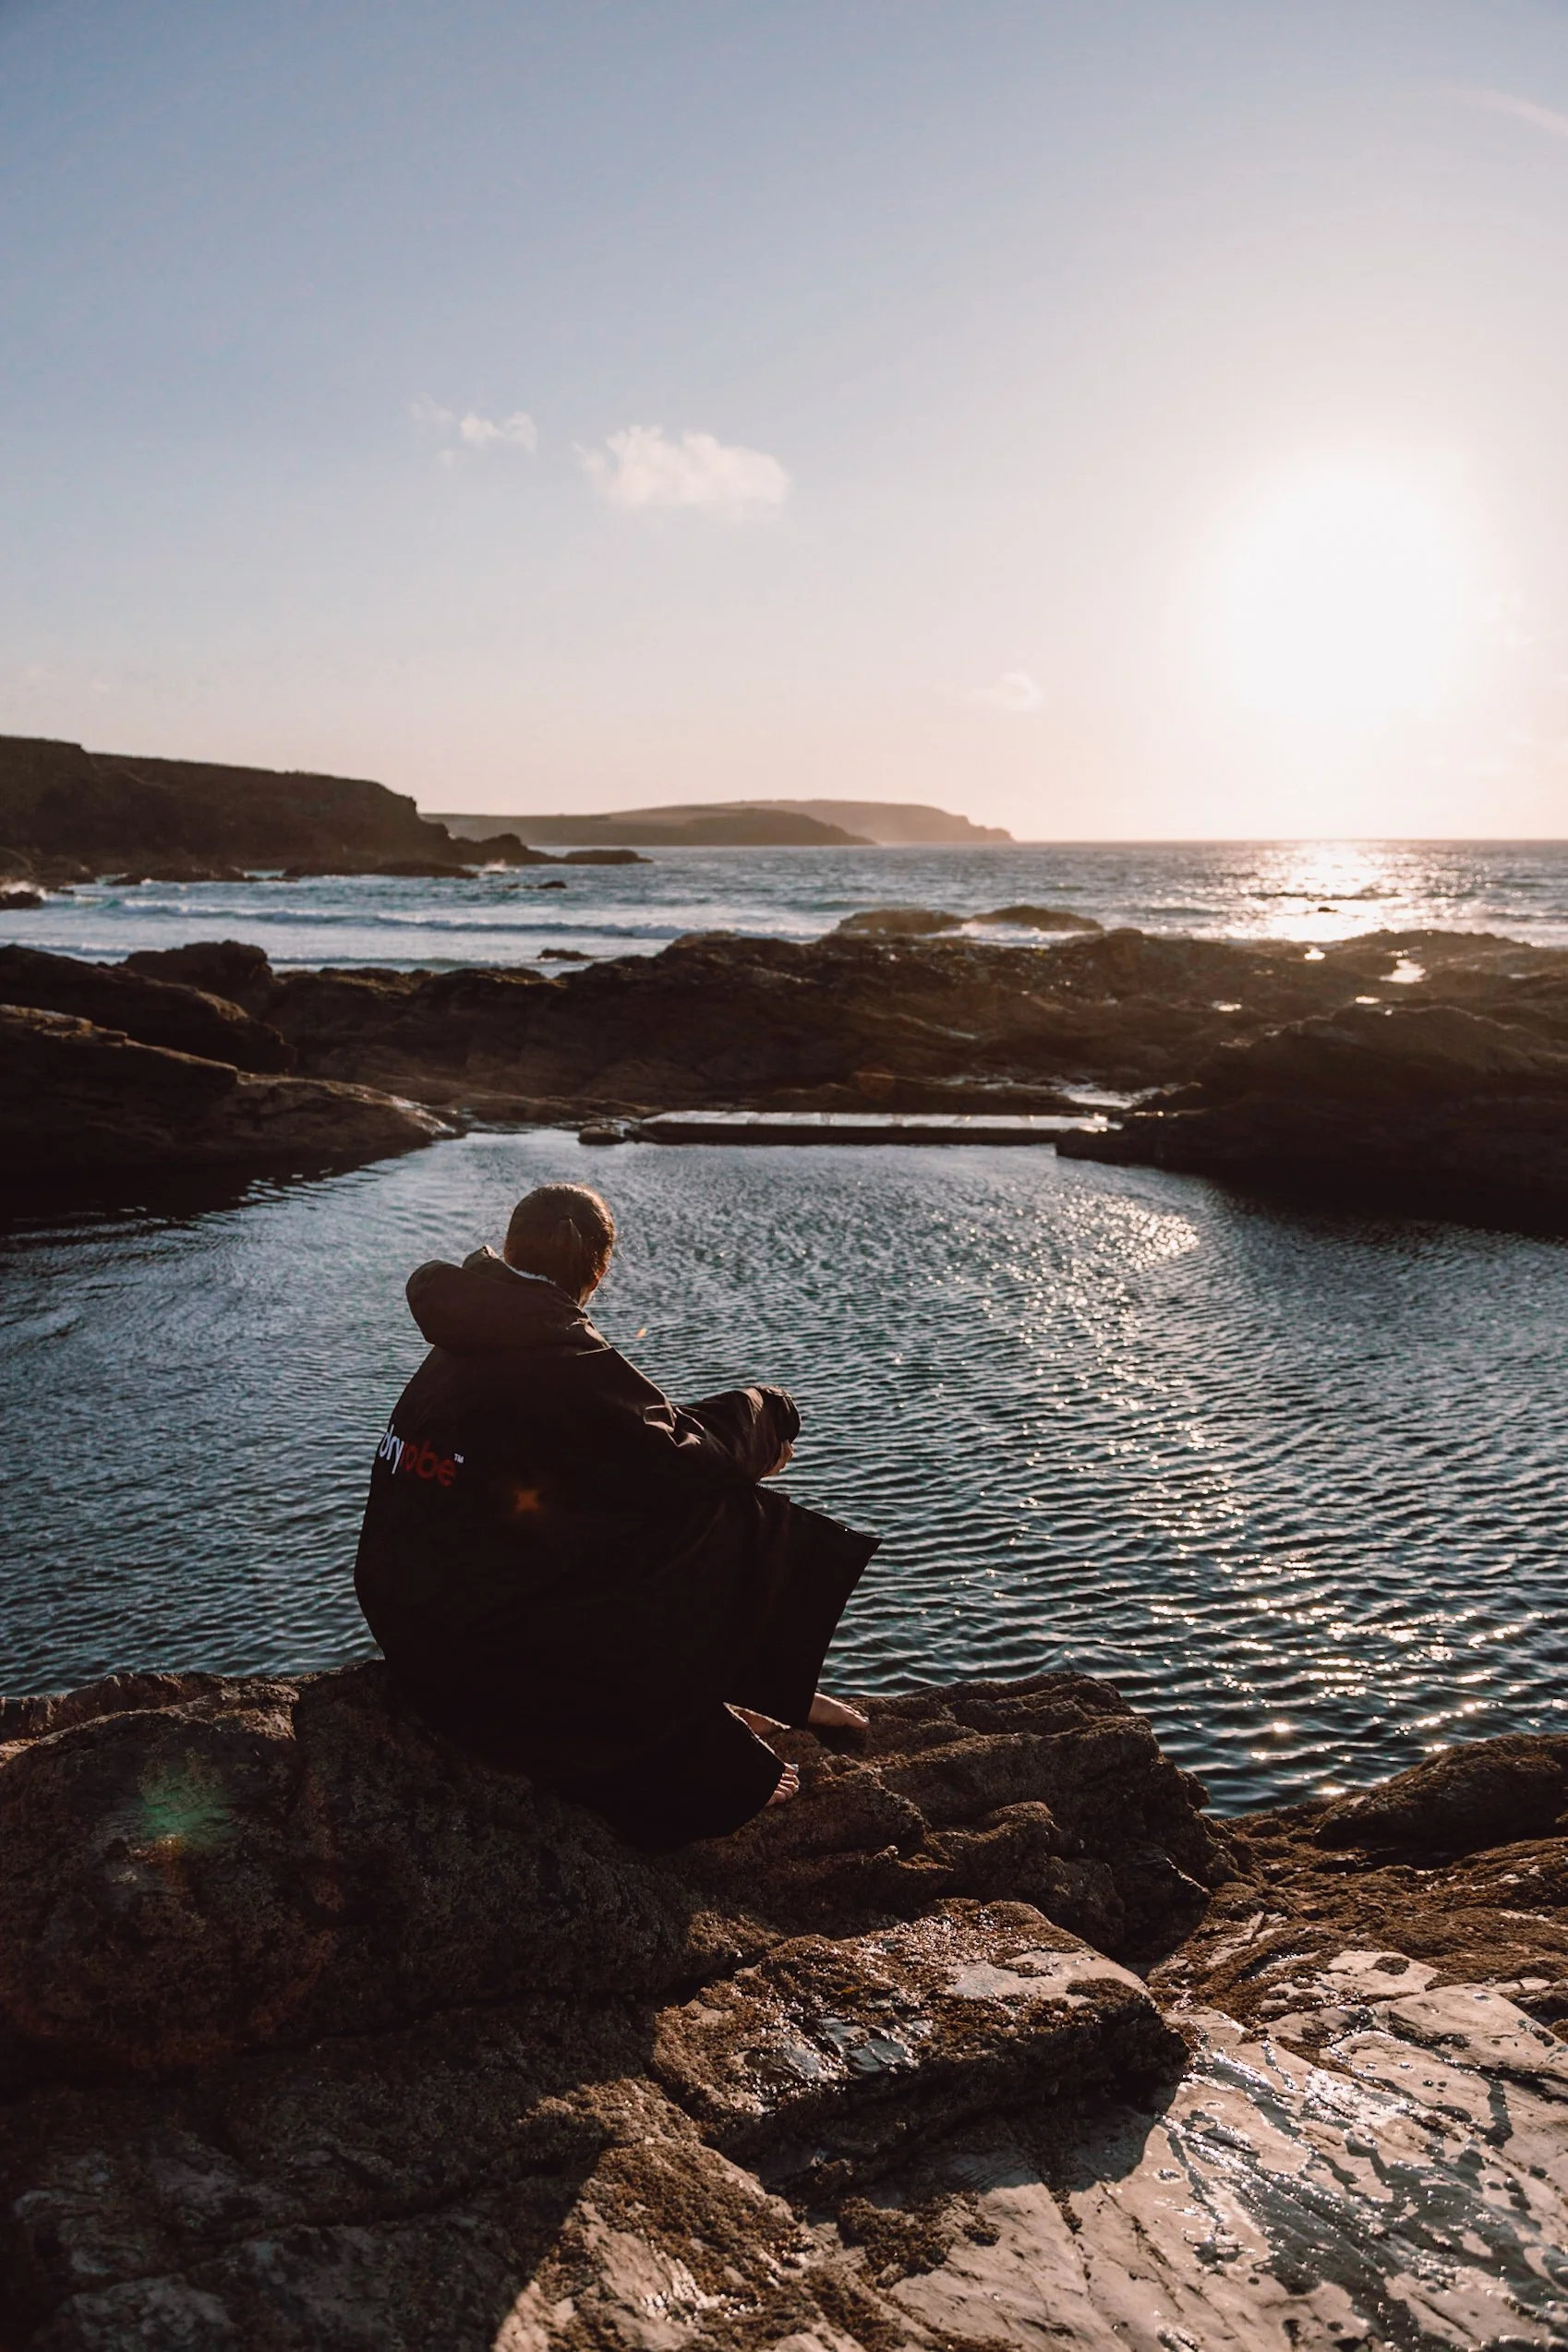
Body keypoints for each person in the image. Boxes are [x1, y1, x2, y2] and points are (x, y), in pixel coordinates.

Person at [355, 1181, 878, 1847]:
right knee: (725, 1508)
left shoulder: (471, 1332)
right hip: (482, 1668)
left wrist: (738, 1426)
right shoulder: (552, 1353)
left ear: (511, 1245)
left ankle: (759, 1684)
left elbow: (634, 1437)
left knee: (650, 1500)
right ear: (598, 1270)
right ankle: (745, 1713)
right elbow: (677, 1458)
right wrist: (768, 1413)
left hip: (416, 1630)